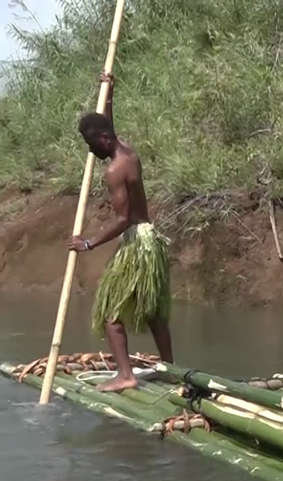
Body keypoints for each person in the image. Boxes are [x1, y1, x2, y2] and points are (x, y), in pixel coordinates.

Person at [70, 71, 174, 392]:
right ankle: (170, 366)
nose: (90, 152)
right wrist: (109, 93)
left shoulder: (115, 171)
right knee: (154, 308)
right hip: (151, 239)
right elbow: (109, 130)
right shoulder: (127, 151)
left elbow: (123, 218)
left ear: (102, 141)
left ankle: (126, 375)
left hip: (136, 241)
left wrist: (88, 242)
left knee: (110, 311)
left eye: (90, 145)